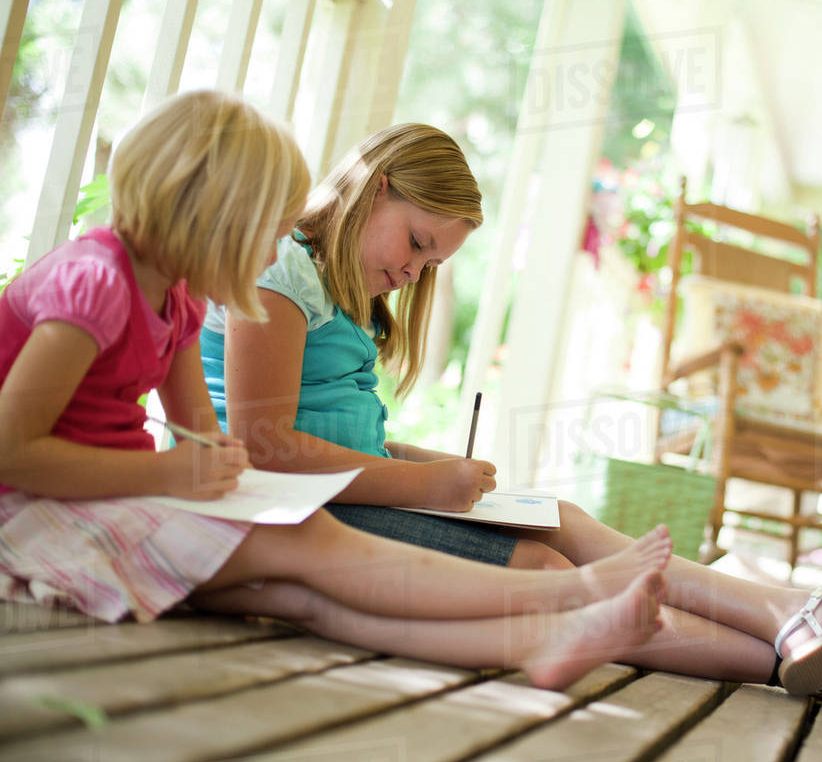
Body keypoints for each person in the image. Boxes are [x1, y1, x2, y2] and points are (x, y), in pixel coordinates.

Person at [202, 122, 822, 698]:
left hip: (347, 494)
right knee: (542, 568)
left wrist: (435, 467)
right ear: (375, 186)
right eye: (418, 243)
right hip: (300, 512)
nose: (412, 271)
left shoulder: (342, 293)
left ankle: (793, 616)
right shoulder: (280, 271)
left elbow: (342, 437)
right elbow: (266, 448)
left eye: (430, 263)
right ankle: (786, 651)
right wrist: (423, 483)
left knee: (557, 516)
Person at [0, 90, 677, 693]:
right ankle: (573, 595)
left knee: (302, 594)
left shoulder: (177, 300)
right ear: (208, 214)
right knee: (307, 546)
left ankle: (540, 641)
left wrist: (216, 463)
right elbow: (11, 454)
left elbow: (201, 441)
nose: (271, 258)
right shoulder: (94, 282)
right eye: (266, 235)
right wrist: (175, 472)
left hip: (113, 499)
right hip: (39, 514)